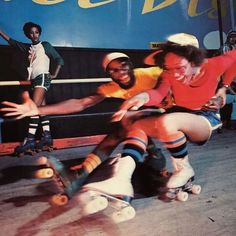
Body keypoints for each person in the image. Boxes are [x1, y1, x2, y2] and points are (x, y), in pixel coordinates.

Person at [1, 52, 172, 202]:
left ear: (131, 65)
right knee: (120, 127)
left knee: (129, 116)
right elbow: (81, 103)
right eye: (113, 70)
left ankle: (155, 154)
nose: (120, 73)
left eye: (123, 66)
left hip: (180, 113)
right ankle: (80, 175)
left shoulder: (151, 73)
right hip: (155, 117)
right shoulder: (110, 88)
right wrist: (37, 110)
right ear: (109, 74)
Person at [109, 33, 236, 193]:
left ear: (195, 61)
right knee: (136, 123)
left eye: (180, 68)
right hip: (179, 114)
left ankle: (184, 169)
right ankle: (122, 177)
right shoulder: (168, 74)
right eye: (169, 68)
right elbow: (159, 93)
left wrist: (224, 87)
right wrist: (143, 96)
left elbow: (234, 57)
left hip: (204, 119)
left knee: (168, 121)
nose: (174, 74)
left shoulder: (213, 65)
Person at [0, 22, 64, 156]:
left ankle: (29, 139)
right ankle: (47, 137)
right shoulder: (28, 48)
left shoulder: (45, 45)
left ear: (39, 33)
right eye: (31, 33)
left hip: (42, 78)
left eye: (36, 32)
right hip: (34, 79)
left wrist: (54, 74)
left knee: (33, 108)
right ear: (27, 35)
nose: (34, 35)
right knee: (41, 109)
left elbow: (59, 59)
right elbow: (12, 41)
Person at [220, 30, 236, 129]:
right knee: (226, 99)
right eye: (232, 37)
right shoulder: (225, 48)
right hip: (227, 75)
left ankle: (229, 120)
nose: (233, 39)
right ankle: (224, 121)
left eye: (235, 37)